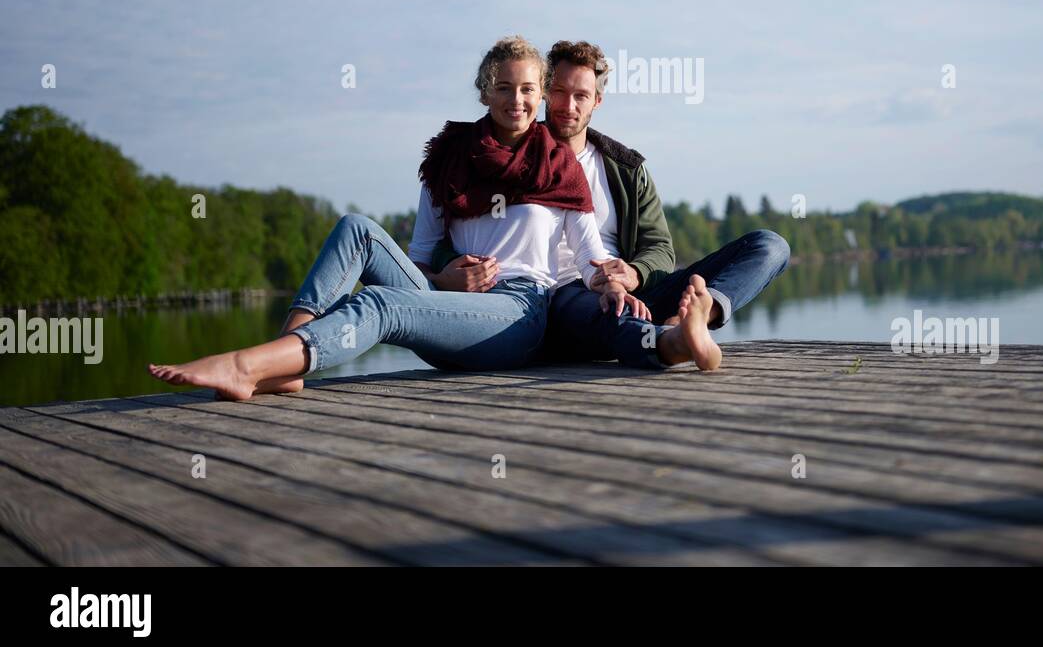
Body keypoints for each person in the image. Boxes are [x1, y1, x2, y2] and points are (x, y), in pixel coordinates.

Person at [147, 36, 727, 401]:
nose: (519, 101)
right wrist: (442, 280)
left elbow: (588, 253)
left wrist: (610, 278)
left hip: (519, 312)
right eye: (505, 88)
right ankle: (285, 359)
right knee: (355, 228)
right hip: (451, 303)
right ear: (484, 92)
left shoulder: (560, 168)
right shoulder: (448, 160)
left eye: (529, 90)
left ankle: (244, 366)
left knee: (377, 306)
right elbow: (421, 259)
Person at [425, 39, 791, 370]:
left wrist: (633, 274)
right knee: (607, 309)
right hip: (558, 295)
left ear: (597, 101)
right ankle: (670, 343)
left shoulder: (626, 168)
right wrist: (446, 270)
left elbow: (660, 248)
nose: (568, 105)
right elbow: (458, 232)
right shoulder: (511, 157)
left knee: (770, 245)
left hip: (631, 287)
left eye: (581, 95)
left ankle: (699, 314)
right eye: (558, 92)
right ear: (543, 95)